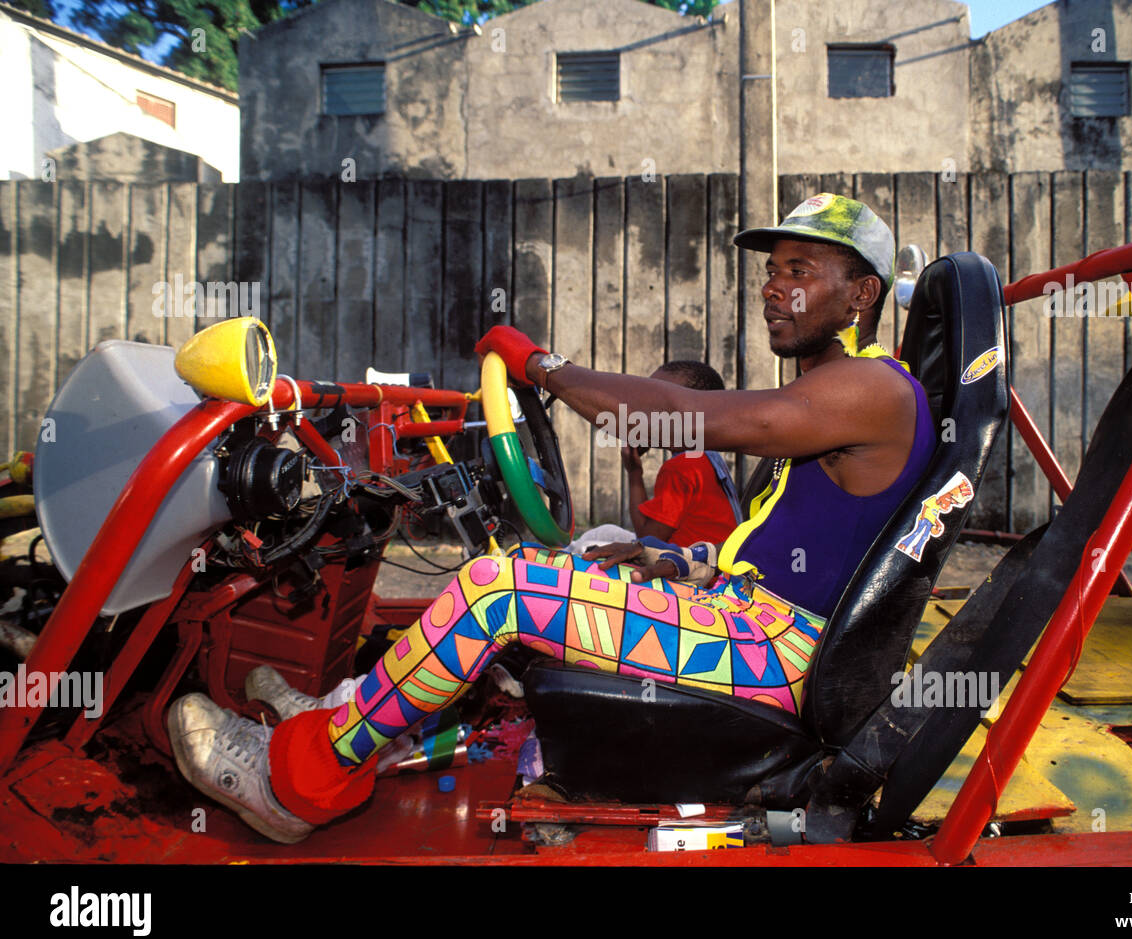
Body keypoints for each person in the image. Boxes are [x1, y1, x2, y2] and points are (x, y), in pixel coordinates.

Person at [167, 193, 939, 843]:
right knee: (565, 565)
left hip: (772, 655)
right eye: (772, 271)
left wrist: (543, 366)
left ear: (862, 295)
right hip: (750, 620)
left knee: (494, 590)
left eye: (799, 271)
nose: (774, 288)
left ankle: (297, 786)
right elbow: (810, 547)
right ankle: (348, 715)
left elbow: (686, 417)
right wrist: (677, 563)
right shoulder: (835, 394)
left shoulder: (872, 388)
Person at [567, 359, 742, 555]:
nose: (644, 411)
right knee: (605, 532)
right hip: (711, 563)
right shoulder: (708, 456)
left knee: (582, 550)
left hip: (687, 574)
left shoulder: (683, 467)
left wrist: (634, 473)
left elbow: (647, 539)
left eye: (658, 404)